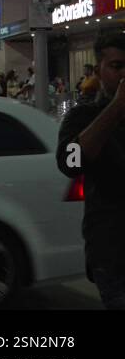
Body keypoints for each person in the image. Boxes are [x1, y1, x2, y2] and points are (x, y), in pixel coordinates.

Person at [56, 32, 125, 309]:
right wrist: (116, 108)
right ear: (98, 70)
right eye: (117, 66)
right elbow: (70, 164)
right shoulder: (82, 116)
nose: (124, 74)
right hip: (114, 253)